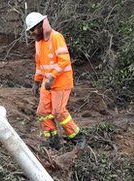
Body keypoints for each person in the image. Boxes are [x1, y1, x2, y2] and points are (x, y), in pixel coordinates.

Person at [24, 12, 83, 149]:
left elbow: (64, 61)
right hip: (47, 82)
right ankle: (53, 141)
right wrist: (36, 81)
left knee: (58, 111)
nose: (32, 33)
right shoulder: (38, 43)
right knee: (43, 112)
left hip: (61, 82)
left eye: (33, 29)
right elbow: (40, 64)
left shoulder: (56, 37)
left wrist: (51, 77)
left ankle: (77, 137)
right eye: (31, 30)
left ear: (41, 26)